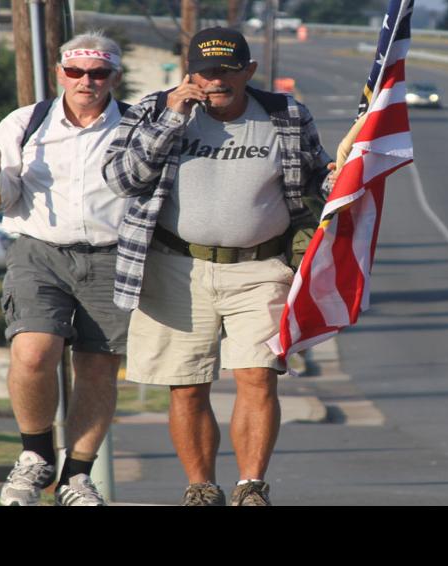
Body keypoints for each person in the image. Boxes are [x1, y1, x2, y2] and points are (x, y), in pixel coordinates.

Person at [103, 27, 331, 506]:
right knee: (187, 386)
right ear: (191, 73)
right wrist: (170, 119)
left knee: (257, 374)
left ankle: (251, 486)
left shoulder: (285, 115)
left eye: (229, 70)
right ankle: (201, 488)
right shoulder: (153, 109)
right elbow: (122, 179)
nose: (217, 80)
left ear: (249, 71)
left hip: (260, 265)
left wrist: (340, 177)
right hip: (175, 264)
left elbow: (314, 182)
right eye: (207, 71)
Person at [0, 32, 130, 506]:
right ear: (60, 72)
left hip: (113, 254)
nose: (87, 81)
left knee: (98, 369)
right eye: (76, 72)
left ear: (113, 77)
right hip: (40, 250)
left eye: (98, 73)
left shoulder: (137, 125)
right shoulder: (26, 121)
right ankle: (35, 457)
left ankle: (76, 478)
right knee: (34, 353)